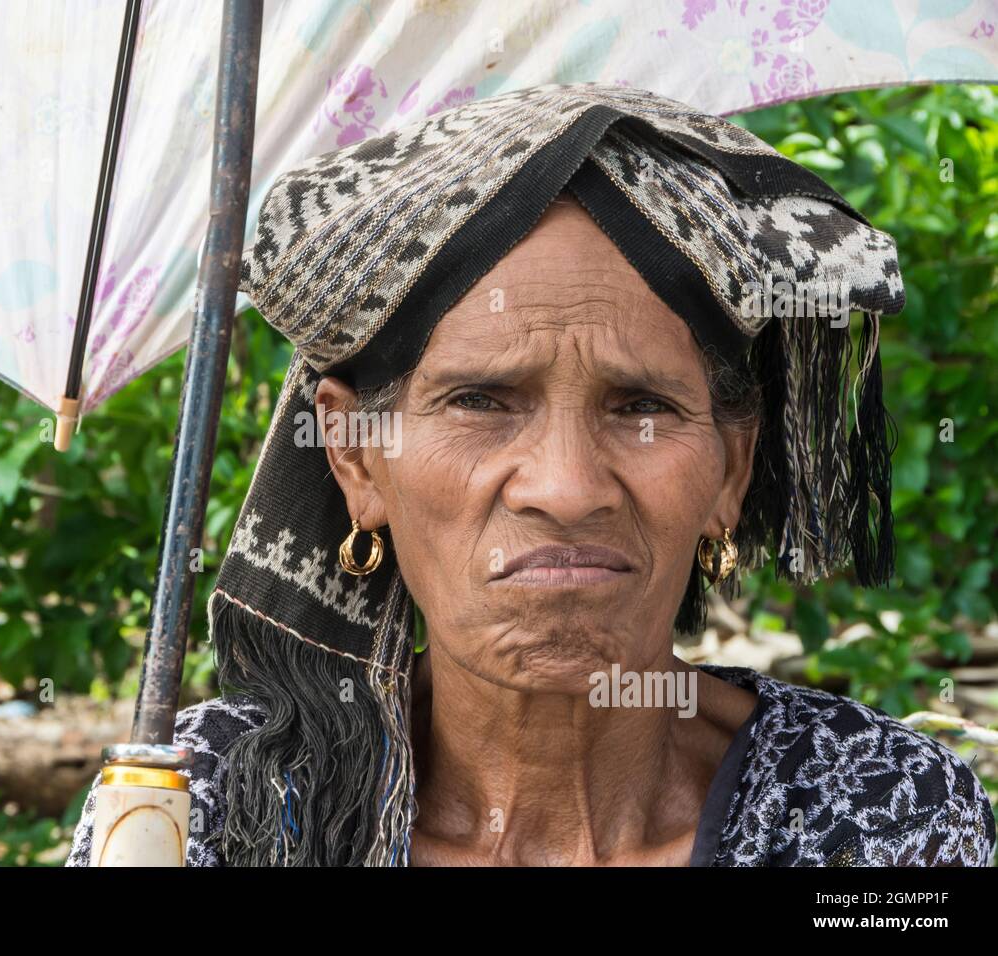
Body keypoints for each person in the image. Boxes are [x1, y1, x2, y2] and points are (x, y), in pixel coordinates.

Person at [67, 82, 995, 867]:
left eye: (642, 407)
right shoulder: (199, 821)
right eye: (479, 401)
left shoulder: (885, 824)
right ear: (354, 456)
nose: (564, 486)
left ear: (731, 470)